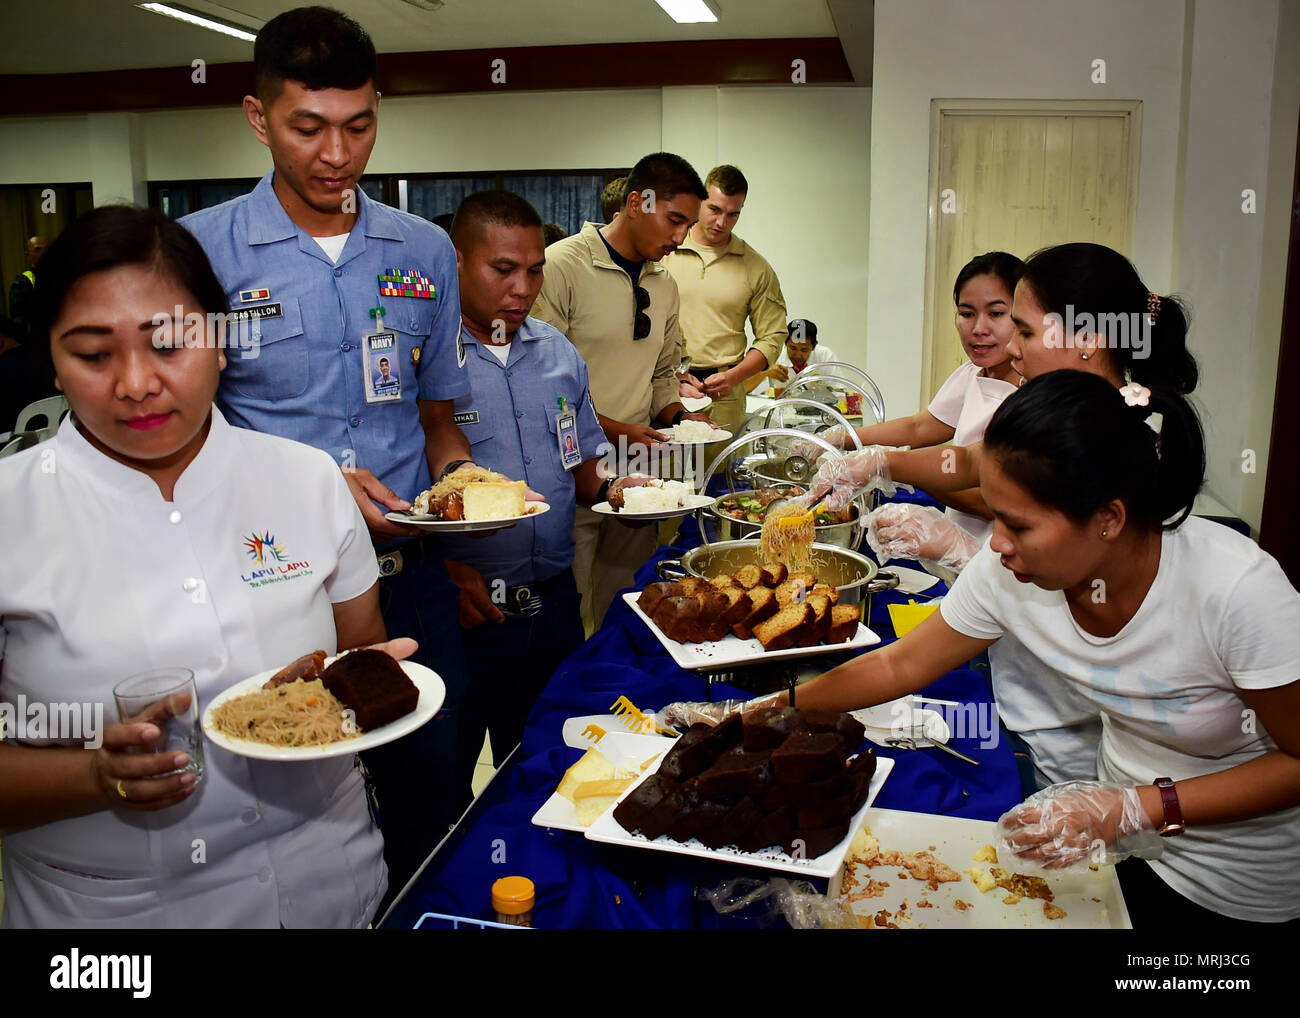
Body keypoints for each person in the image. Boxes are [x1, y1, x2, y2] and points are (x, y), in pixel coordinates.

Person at [0, 205, 396, 928]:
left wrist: (360, 680)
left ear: (221, 341)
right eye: (93, 355)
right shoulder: (12, 512)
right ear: (51, 361)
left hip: (329, 882)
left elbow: (362, 651)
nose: (136, 383)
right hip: (114, 921)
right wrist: (93, 775)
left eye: (171, 344)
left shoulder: (307, 480)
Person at [787, 371, 1300, 927]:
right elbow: (900, 662)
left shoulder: (1236, 590)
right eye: (995, 515)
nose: (997, 543)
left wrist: (1140, 806)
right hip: (1112, 851)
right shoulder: (1012, 570)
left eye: (1019, 525)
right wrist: (770, 710)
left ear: (1109, 519)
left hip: (1235, 886)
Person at [179, 6, 478, 900]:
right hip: (276, 581)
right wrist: (298, 486)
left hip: (410, 574)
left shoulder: (424, 248)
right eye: (307, 128)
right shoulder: (202, 252)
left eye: (359, 126)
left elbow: (440, 423)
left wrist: (466, 489)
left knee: (434, 792)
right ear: (257, 116)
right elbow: (176, 433)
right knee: (290, 797)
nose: (336, 154)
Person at [805, 242, 1202, 787]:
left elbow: (1103, 623)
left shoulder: (1121, 456)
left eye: (1025, 331)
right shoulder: (1058, 418)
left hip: (1080, 753)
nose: (1012, 349)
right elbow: (968, 460)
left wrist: (965, 552)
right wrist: (879, 459)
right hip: (1031, 713)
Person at [442, 190, 611, 770]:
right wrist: (448, 572)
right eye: (503, 269)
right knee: (448, 783)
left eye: (535, 270)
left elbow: (588, 466)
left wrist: (629, 487)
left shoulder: (558, 354)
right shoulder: (427, 363)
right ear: (456, 262)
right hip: (467, 605)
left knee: (553, 762)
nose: (523, 288)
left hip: (555, 598)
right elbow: (408, 492)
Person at [531, 151, 711, 635]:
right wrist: (617, 429)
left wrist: (676, 418)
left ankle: (617, 700)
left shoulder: (664, 283)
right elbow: (544, 387)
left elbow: (663, 372)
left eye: (688, 226)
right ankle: (573, 703)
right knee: (571, 600)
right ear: (636, 202)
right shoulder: (561, 266)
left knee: (627, 594)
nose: (680, 238)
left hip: (637, 461)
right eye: (674, 220)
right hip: (569, 462)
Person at [818, 252, 1024, 575]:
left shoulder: (1033, 399)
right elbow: (920, 427)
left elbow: (988, 499)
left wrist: (892, 467)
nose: (979, 328)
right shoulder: (973, 373)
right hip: (962, 565)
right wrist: (845, 437)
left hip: (1006, 566)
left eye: (996, 313)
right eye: (967, 313)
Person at [664, 164, 788, 444]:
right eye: (714, 210)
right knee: (662, 481)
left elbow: (772, 336)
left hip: (724, 392)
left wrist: (734, 377)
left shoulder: (755, 267)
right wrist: (674, 375)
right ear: (700, 201)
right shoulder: (666, 251)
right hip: (667, 388)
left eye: (733, 214)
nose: (722, 222)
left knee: (719, 480)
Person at [746, 319, 838, 394]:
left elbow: (840, 390)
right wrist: (765, 373)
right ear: (785, 342)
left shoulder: (825, 356)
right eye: (793, 348)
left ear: (814, 346)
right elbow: (744, 388)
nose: (797, 355)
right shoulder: (773, 354)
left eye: (804, 350)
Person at [5, 235, 49, 344]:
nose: (44, 253)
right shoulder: (23, 282)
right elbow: (19, 324)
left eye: (47, 249)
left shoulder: (63, 276)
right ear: (27, 255)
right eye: (37, 250)